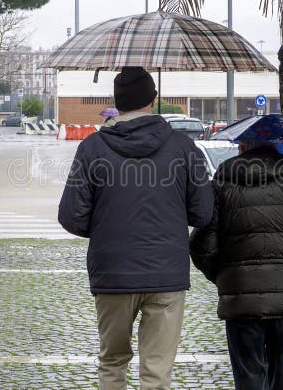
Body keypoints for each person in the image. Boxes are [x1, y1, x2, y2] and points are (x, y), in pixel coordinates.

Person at [58, 66, 214, 390]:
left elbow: (71, 216)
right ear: (154, 99)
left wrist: (107, 228)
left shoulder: (92, 148)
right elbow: (203, 213)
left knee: (112, 362)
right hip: (167, 274)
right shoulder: (184, 148)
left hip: (112, 271)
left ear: (117, 102)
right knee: (157, 371)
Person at [190, 141, 283, 390]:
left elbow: (201, 246)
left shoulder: (221, 183)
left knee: (248, 373)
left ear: (242, 147)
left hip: (241, 299)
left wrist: (223, 276)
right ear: (276, 146)